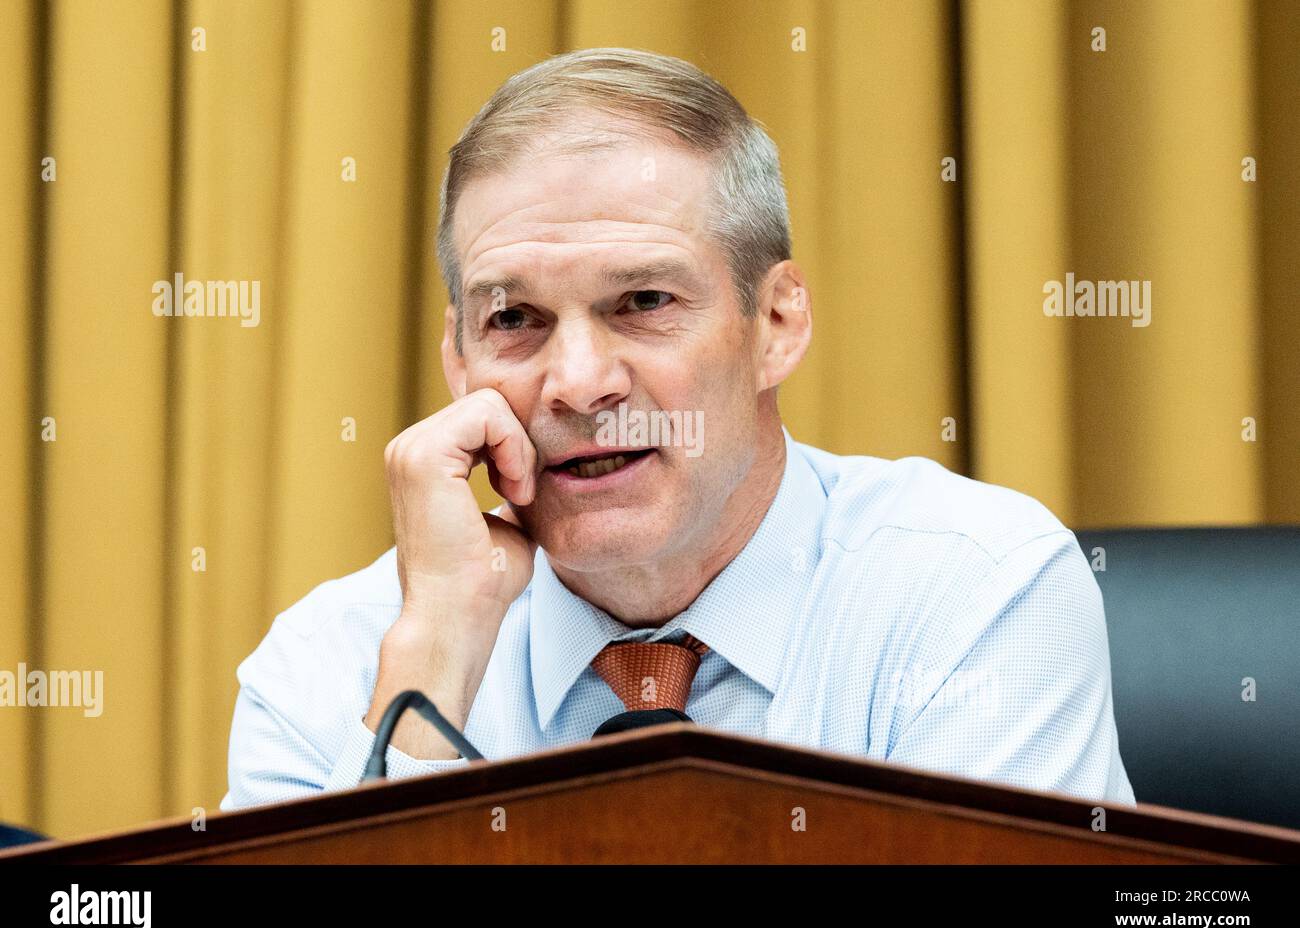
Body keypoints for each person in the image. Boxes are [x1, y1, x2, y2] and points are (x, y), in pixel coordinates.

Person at [221, 48, 1134, 811]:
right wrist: (432, 668)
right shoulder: (331, 667)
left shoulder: (970, 593)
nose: (577, 384)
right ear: (459, 363)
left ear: (775, 324)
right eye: (514, 320)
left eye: (645, 301)